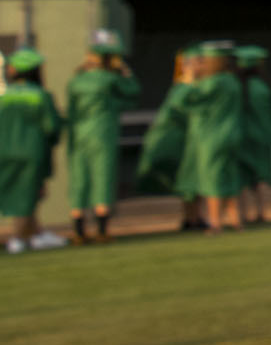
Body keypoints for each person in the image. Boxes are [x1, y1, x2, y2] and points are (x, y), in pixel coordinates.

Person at [63, 28, 140, 245]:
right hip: (102, 132)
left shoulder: (77, 80)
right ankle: (102, 230)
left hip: (79, 132)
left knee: (79, 179)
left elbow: (71, 112)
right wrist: (124, 71)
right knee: (102, 177)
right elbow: (133, 91)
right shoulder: (110, 78)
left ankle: (78, 230)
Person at [1, 47, 65, 253]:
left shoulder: (4, 96)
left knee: (20, 194)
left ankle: (37, 234)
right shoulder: (40, 96)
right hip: (31, 152)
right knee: (27, 195)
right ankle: (18, 238)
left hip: (4, 152)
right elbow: (52, 127)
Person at [136, 46, 204, 231]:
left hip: (185, 139)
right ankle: (191, 218)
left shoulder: (188, 87)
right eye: (198, 62)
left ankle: (194, 217)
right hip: (179, 141)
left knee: (191, 182)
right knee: (189, 180)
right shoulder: (183, 89)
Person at [184, 41, 246, 232]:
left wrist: (188, 80)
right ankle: (236, 220)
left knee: (212, 179)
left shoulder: (213, 82)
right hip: (233, 133)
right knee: (230, 177)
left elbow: (186, 101)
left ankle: (215, 222)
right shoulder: (233, 81)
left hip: (213, 136)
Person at [234, 46, 271, 224]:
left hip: (243, 136)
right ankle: (261, 211)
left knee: (243, 177)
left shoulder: (237, 87)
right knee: (259, 176)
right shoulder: (265, 86)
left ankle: (243, 214)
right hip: (262, 135)